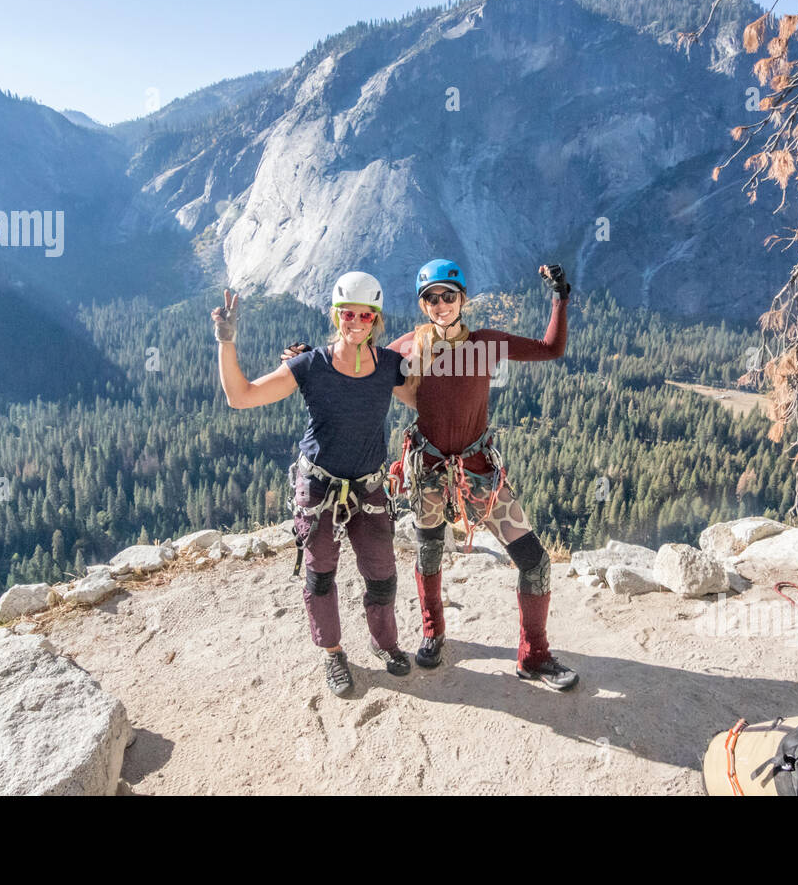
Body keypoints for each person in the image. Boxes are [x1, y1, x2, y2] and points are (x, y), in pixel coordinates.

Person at [213, 272, 412, 697]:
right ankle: (333, 652)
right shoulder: (309, 365)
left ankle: (385, 642)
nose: (355, 322)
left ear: (376, 320)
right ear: (334, 315)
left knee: (382, 573)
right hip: (319, 487)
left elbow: (428, 397)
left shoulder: (391, 367)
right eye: (347, 313)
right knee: (320, 573)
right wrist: (226, 341)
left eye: (364, 314)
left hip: (371, 486)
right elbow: (241, 396)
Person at [394, 260, 577, 690]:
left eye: (448, 296)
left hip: (478, 468)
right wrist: (312, 359)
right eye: (431, 298)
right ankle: (433, 633)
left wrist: (560, 297)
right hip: (431, 468)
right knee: (429, 551)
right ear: (424, 305)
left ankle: (534, 656)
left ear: (462, 299)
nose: (441, 305)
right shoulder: (408, 348)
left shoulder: (486, 344)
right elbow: (358, 365)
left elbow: (550, 348)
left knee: (535, 560)